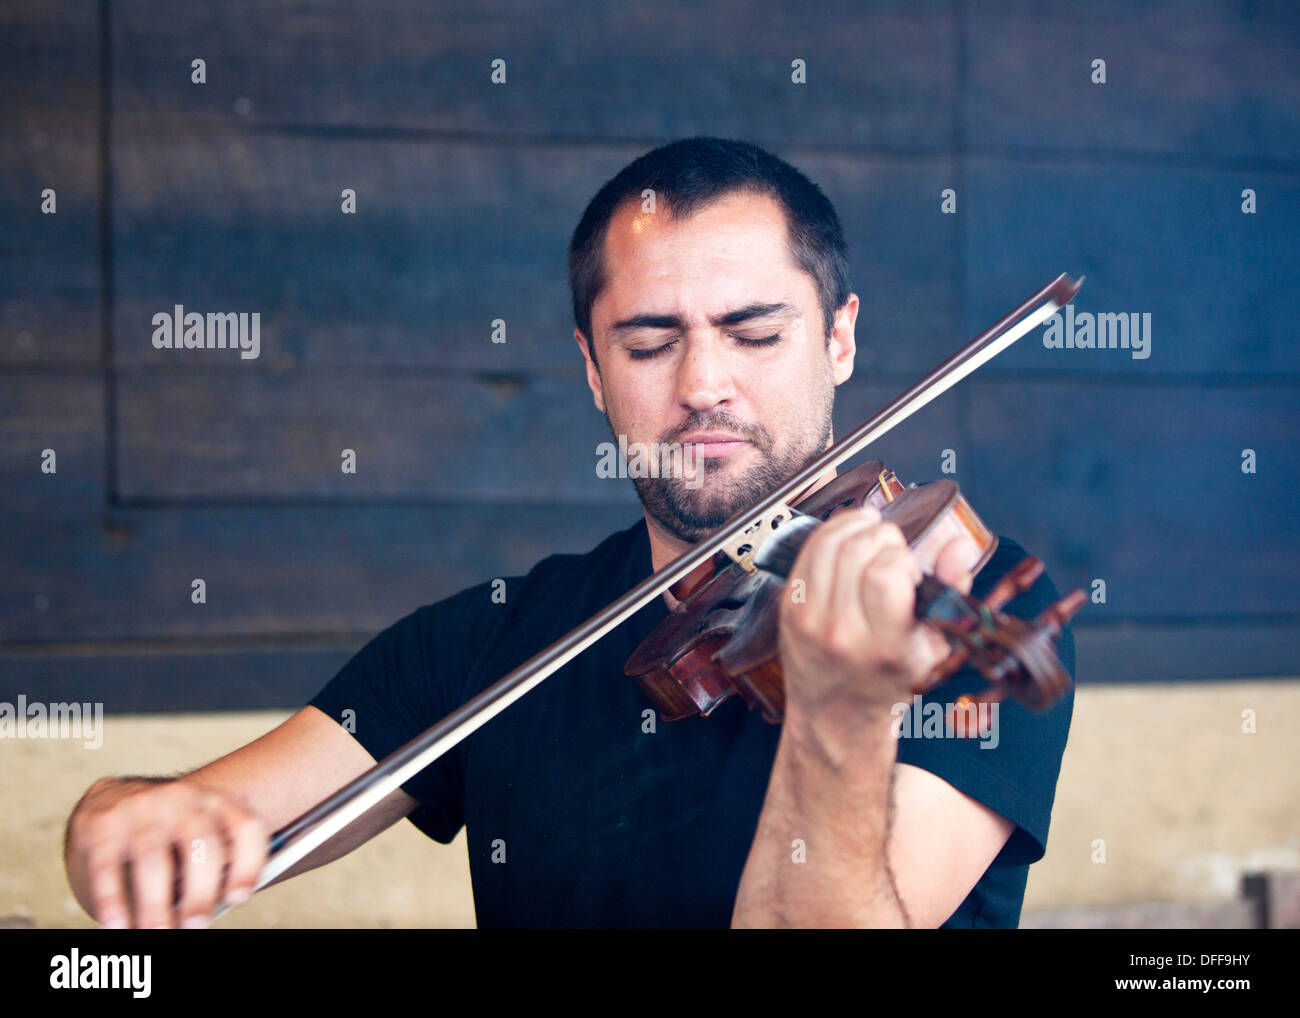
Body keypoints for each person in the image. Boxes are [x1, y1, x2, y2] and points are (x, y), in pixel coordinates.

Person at [63, 136, 1074, 929]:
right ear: (593, 370)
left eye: (755, 333)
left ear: (840, 337)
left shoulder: (967, 606)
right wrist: (120, 815)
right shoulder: (491, 641)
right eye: (648, 342)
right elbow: (195, 814)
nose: (703, 386)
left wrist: (842, 710)